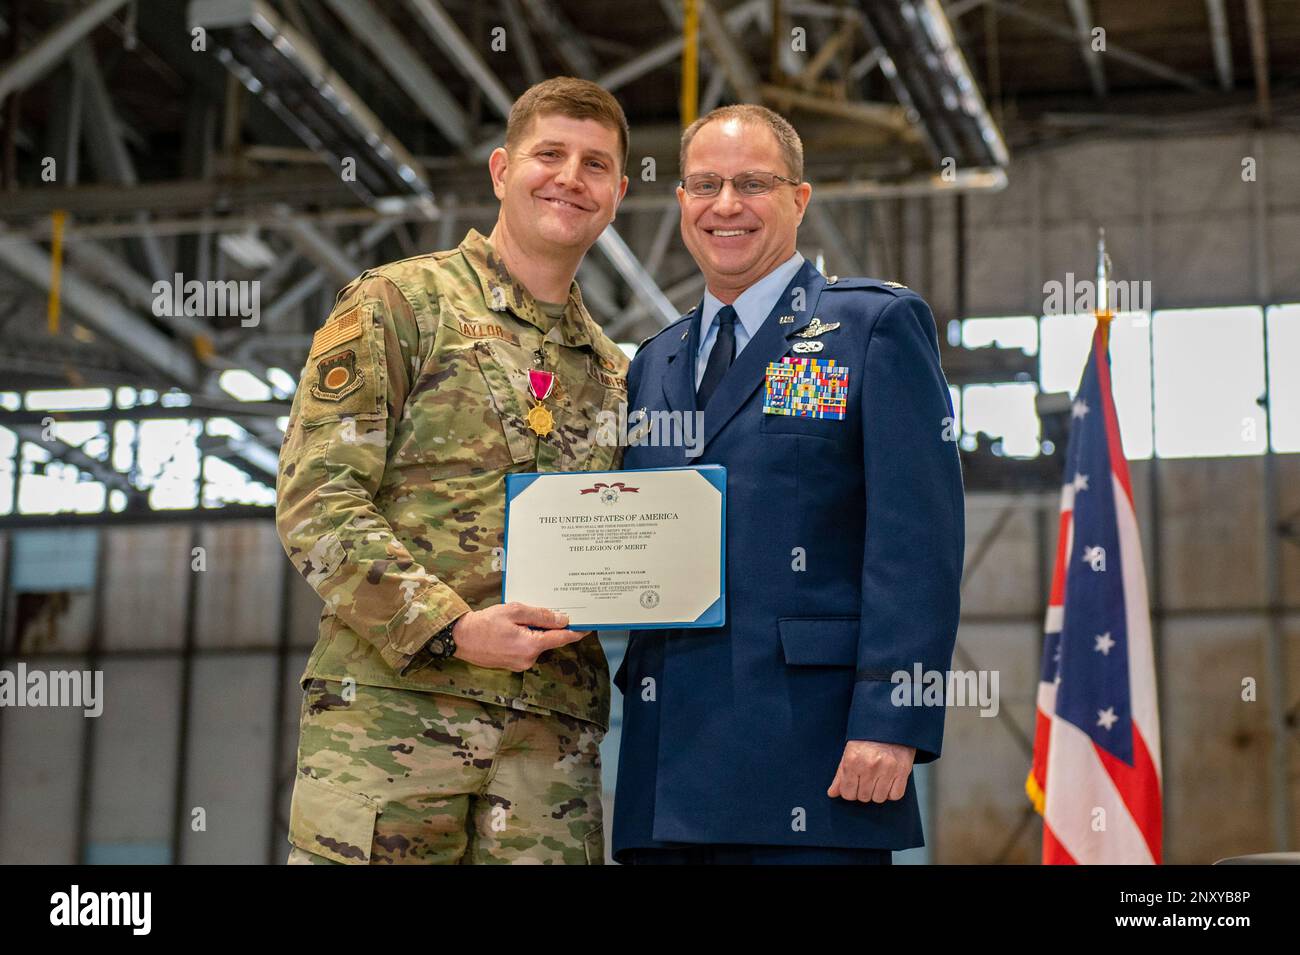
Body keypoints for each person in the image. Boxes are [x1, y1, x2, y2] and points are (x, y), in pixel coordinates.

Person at [276, 77, 631, 865]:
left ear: (617, 194)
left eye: (595, 164)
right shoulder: (399, 304)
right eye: (551, 154)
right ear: (502, 169)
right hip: (393, 724)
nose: (571, 177)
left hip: (550, 745)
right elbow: (317, 501)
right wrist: (453, 627)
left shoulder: (610, 370)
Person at [612, 105, 964, 864]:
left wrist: (893, 718)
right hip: (663, 771)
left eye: (753, 183)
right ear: (681, 204)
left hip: (816, 762)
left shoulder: (872, 326)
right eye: (705, 184)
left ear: (799, 200)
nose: (726, 204)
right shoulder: (653, 363)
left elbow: (918, 542)